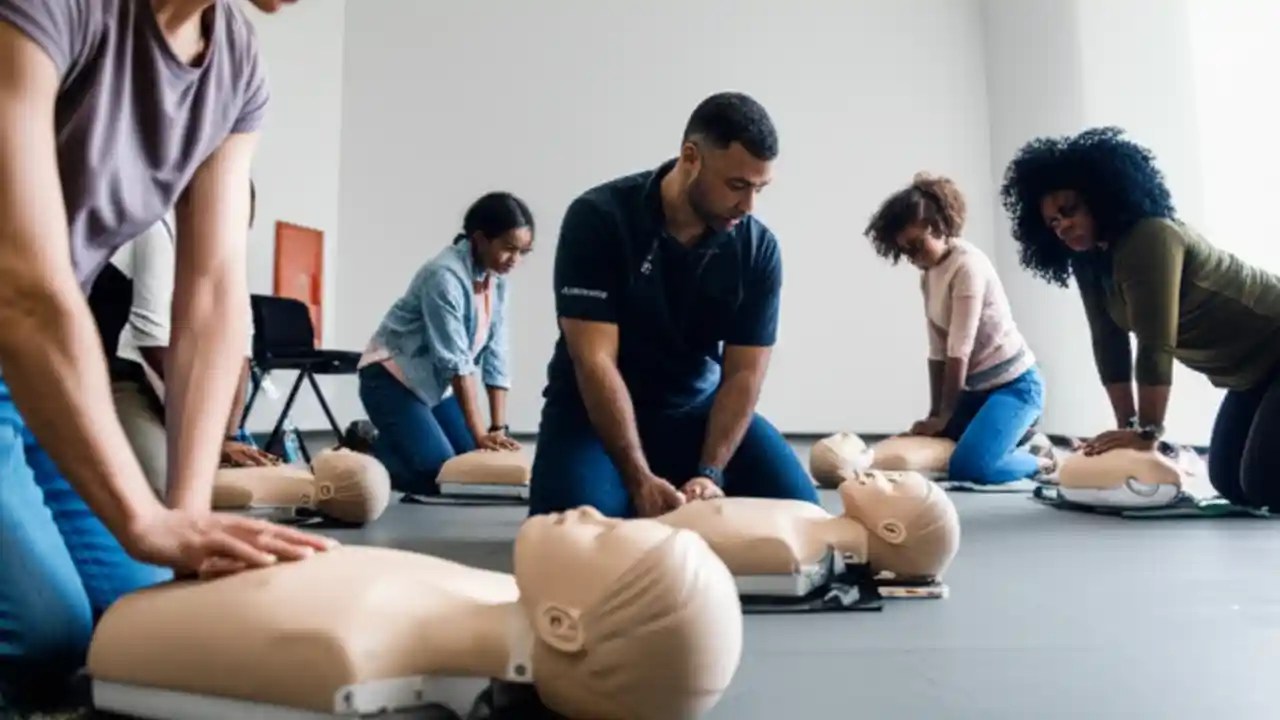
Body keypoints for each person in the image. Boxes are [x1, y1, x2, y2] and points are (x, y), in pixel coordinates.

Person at [0, 0, 334, 707]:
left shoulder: (234, 59)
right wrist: (142, 519)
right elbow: (23, 283)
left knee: (139, 613)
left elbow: (211, 294)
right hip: (21, 326)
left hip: (35, 374)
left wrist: (188, 516)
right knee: (44, 635)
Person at [530, 91, 820, 519]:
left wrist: (711, 471)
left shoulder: (757, 249)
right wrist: (638, 477)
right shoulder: (598, 219)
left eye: (760, 188)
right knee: (576, 536)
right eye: (737, 185)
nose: (749, 205)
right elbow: (595, 362)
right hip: (590, 417)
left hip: (693, 411)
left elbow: (743, 373)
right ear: (691, 157)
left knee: (803, 516)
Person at [999, 126, 1280, 508]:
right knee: (1230, 482)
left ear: (1101, 199)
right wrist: (1126, 428)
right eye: (1052, 222)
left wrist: (1148, 431)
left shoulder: (1151, 237)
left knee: (1265, 485)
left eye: (1069, 211)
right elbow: (1108, 341)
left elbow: (1154, 342)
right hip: (1253, 371)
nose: (1062, 226)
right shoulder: (1090, 260)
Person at [90, 182, 277, 499]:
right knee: (164, 485)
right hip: (120, 375)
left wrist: (231, 435)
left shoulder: (231, 258)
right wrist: (209, 437)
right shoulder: (158, 227)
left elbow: (239, 358)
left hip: (179, 386)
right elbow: (155, 347)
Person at [863, 173, 1050, 484]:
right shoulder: (929, 272)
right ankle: (1021, 435)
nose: (912, 257)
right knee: (937, 438)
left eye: (917, 246)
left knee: (971, 468)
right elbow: (937, 348)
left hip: (1015, 387)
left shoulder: (968, 266)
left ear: (938, 228)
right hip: (975, 391)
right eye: (905, 251)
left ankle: (1039, 459)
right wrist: (935, 414)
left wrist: (947, 416)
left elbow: (958, 348)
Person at [357, 192, 533, 496]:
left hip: (436, 387)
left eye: (523, 251)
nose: (515, 260)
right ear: (480, 239)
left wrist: (497, 429)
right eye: (508, 249)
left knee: (468, 463)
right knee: (437, 475)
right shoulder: (444, 275)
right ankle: (364, 447)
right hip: (390, 380)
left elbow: (496, 354)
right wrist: (478, 432)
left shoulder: (497, 280)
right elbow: (456, 361)